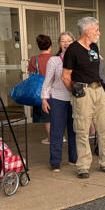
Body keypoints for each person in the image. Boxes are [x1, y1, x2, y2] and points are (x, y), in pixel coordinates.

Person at [61, 16, 105, 178]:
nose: (99, 33)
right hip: (83, 92)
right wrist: (74, 90)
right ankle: (83, 166)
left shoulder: (94, 47)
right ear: (87, 31)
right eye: (96, 30)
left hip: (99, 90)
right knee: (82, 129)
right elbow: (65, 76)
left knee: (104, 127)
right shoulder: (72, 50)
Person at [41, 31, 77, 172]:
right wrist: (44, 99)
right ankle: (55, 161)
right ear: (59, 44)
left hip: (75, 99)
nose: (66, 43)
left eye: (69, 41)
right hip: (57, 99)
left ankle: (74, 158)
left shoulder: (78, 60)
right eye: (63, 41)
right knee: (56, 131)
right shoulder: (54, 61)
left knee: (74, 130)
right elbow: (47, 81)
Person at [29, 34, 54, 145]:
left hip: (42, 90)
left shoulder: (35, 59)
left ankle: (51, 138)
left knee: (47, 116)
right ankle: (60, 135)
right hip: (56, 89)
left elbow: (31, 76)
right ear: (50, 46)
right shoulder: (56, 58)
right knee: (57, 113)